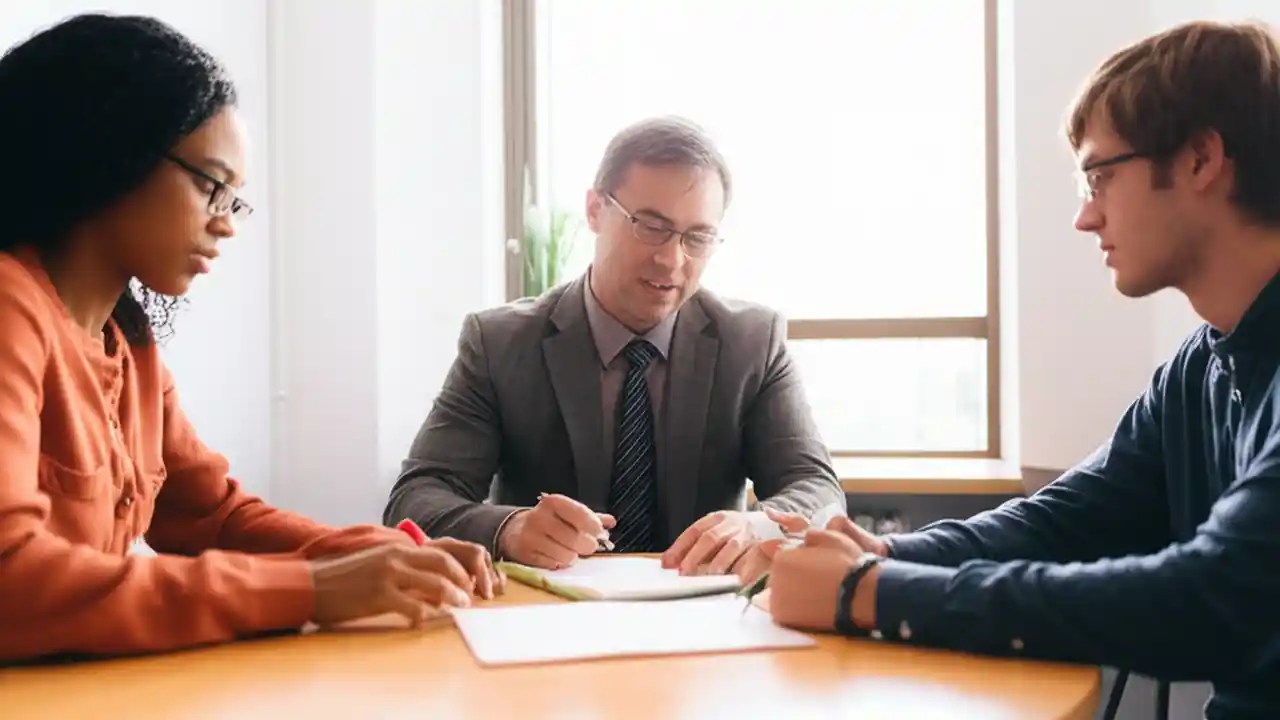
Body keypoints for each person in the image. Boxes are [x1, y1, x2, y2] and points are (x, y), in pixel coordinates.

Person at [766, 20, 1280, 719]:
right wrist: (885, 551)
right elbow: (1063, 522)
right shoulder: (1198, 367)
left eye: (1100, 175)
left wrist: (867, 591)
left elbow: (1204, 601)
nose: (1083, 216)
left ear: (1199, 159)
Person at [0, 13, 501, 664]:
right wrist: (309, 590)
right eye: (212, 185)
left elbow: (213, 516)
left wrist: (389, 555)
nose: (226, 223)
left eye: (235, 200)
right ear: (112, 149)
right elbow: (12, 582)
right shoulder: (12, 310)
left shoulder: (128, 339)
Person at [384, 116, 844, 578]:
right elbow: (417, 498)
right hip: (546, 617)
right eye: (651, 226)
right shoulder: (500, 344)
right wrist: (510, 528)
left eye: (697, 238)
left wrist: (758, 527)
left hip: (703, 614)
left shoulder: (751, 342)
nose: (672, 260)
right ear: (594, 210)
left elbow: (816, 487)